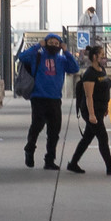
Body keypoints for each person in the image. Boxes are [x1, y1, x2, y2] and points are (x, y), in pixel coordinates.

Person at [16, 32, 79, 170]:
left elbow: (75, 68)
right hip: (38, 97)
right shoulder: (37, 56)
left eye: (57, 44)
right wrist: (38, 45)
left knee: (54, 131)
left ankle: (49, 159)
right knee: (37, 126)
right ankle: (30, 148)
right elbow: (21, 57)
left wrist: (66, 51)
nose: (54, 45)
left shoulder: (62, 60)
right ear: (45, 43)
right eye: (50, 43)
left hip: (55, 99)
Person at [66, 45, 111, 175]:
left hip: (99, 109)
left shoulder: (101, 70)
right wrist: (92, 115)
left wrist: (106, 107)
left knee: (87, 138)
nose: (104, 57)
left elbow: (105, 90)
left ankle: (73, 163)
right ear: (95, 57)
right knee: (103, 137)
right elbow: (89, 96)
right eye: (102, 55)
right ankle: (110, 167)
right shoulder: (89, 74)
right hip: (90, 111)